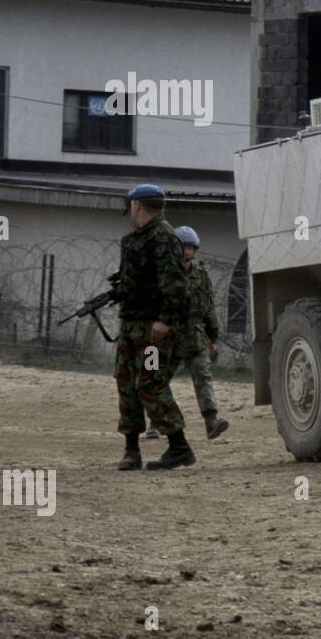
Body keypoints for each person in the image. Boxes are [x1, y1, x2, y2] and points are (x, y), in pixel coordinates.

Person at [113, 183, 195, 471]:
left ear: (136, 205)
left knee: (150, 383)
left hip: (152, 330)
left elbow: (176, 285)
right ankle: (131, 449)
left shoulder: (163, 237)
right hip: (131, 324)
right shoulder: (134, 239)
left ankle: (179, 446)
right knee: (126, 383)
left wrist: (164, 319)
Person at [168, 226, 230, 440]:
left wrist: (213, 338)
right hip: (163, 338)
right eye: (183, 247)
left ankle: (211, 422)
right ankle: (156, 422)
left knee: (203, 377)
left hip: (194, 336)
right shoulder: (163, 274)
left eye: (190, 248)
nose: (187, 252)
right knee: (155, 378)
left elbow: (209, 308)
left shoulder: (201, 276)